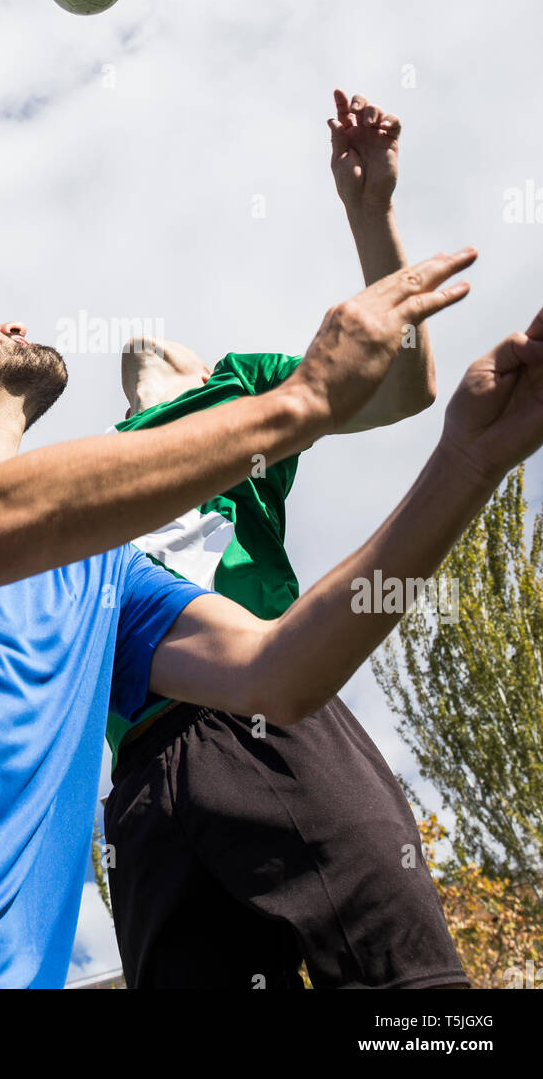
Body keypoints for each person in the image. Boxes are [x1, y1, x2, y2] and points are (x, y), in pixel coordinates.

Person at [0, 231, 537, 988]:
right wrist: (299, 401)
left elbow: (280, 671)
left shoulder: (101, 570)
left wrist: (466, 463)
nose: (13, 324)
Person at [103, 94, 480, 989]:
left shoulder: (243, 391)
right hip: (142, 771)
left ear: (200, 367)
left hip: (267, 697)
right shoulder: (91, 471)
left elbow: (400, 389)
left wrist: (370, 212)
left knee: (401, 985)